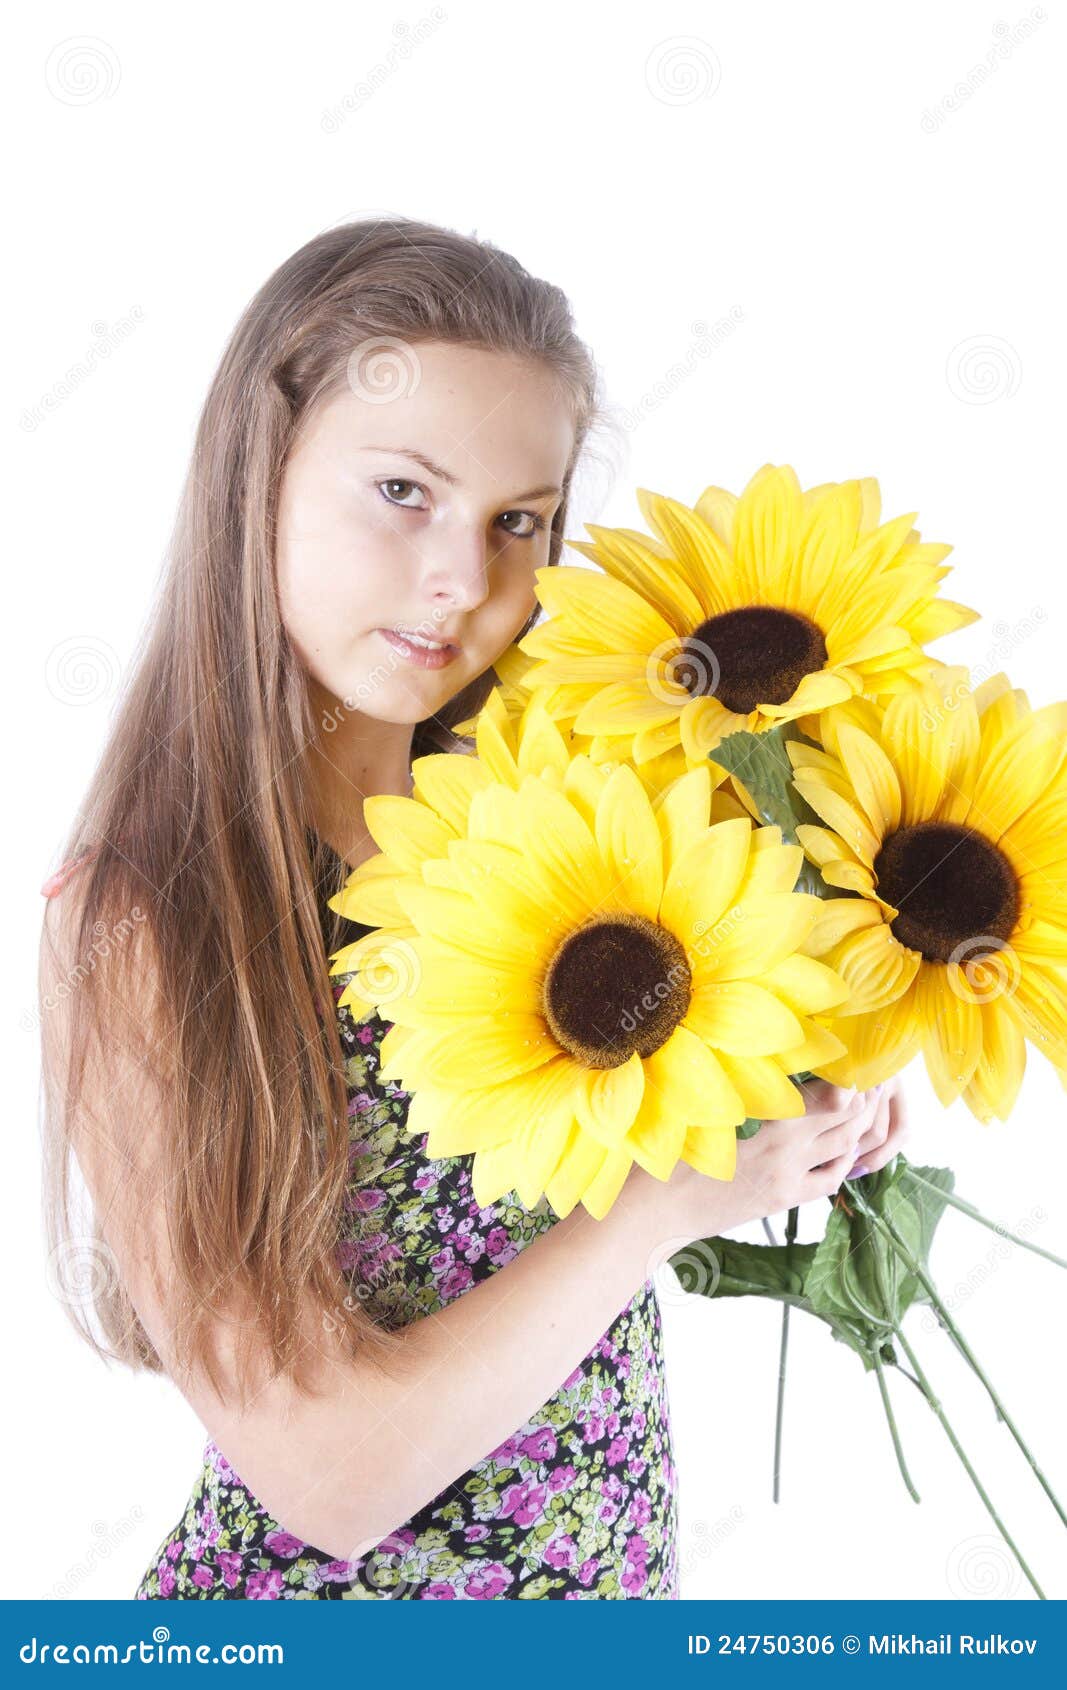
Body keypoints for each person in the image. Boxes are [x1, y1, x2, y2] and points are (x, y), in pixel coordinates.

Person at [37, 217, 909, 1600]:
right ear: (257, 478)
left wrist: (785, 1096)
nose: (466, 577)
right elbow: (325, 1475)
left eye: (520, 520)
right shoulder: (151, 920)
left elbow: (609, 1158)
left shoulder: (553, 815)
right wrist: (657, 1209)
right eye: (401, 490)